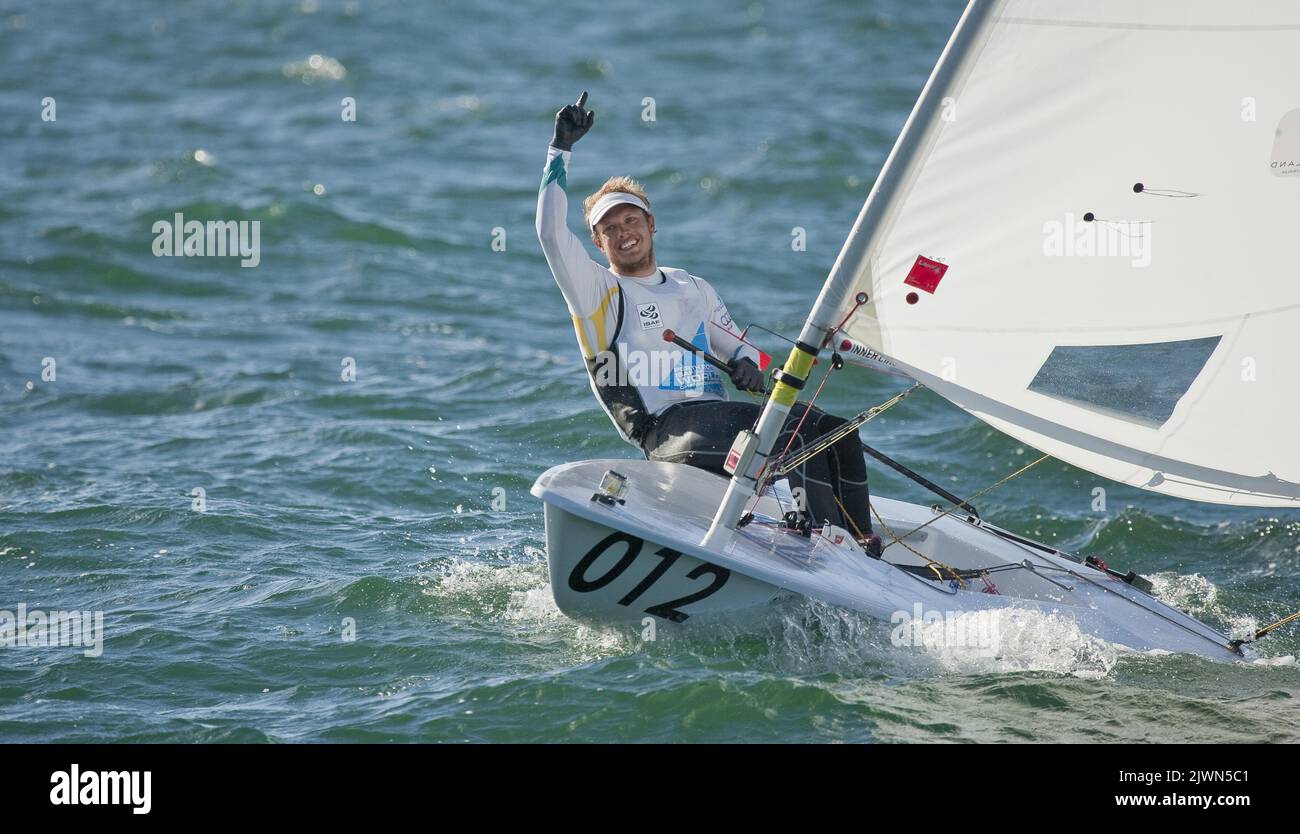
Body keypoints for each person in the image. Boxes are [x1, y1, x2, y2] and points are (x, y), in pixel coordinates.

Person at [536, 91, 881, 555]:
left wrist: (748, 364)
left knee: (837, 431)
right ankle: (823, 542)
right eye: (609, 229)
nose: (623, 233)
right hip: (666, 431)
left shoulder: (691, 286)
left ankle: (862, 545)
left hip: (719, 423)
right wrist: (560, 150)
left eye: (630, 220)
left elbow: (740, 346)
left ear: (651, 224)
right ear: (598, 244)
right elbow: (550, 233)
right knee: (796, 433)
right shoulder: (597, 292)